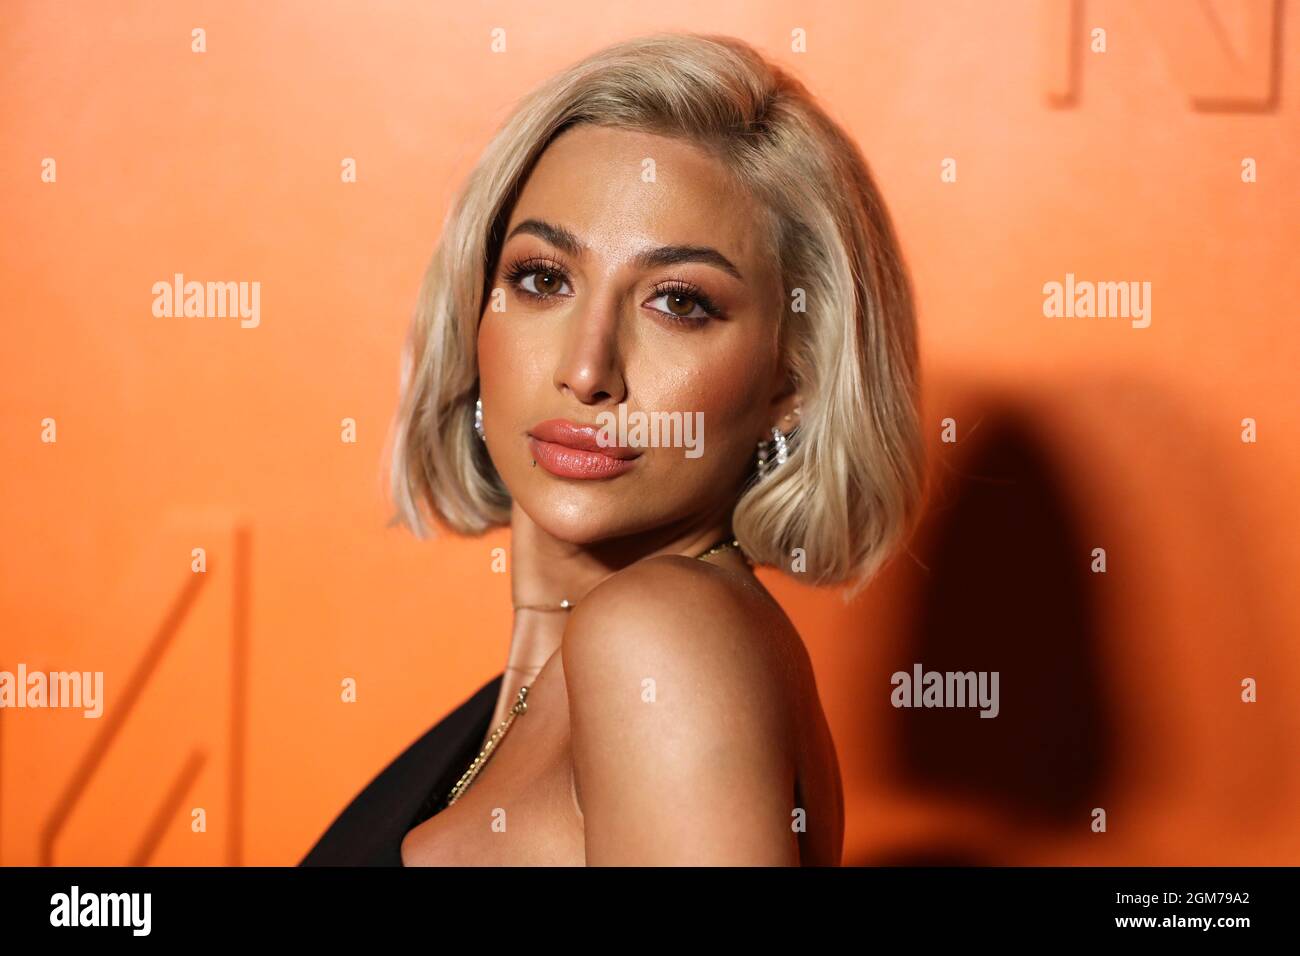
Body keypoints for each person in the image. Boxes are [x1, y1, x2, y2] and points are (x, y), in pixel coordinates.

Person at [301, 30, 924, 867]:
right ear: (477, 311)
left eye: (680, 302)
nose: (588, 369)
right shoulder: (555, 685)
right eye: (543, 279)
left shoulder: (664, 638)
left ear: (793, 381)